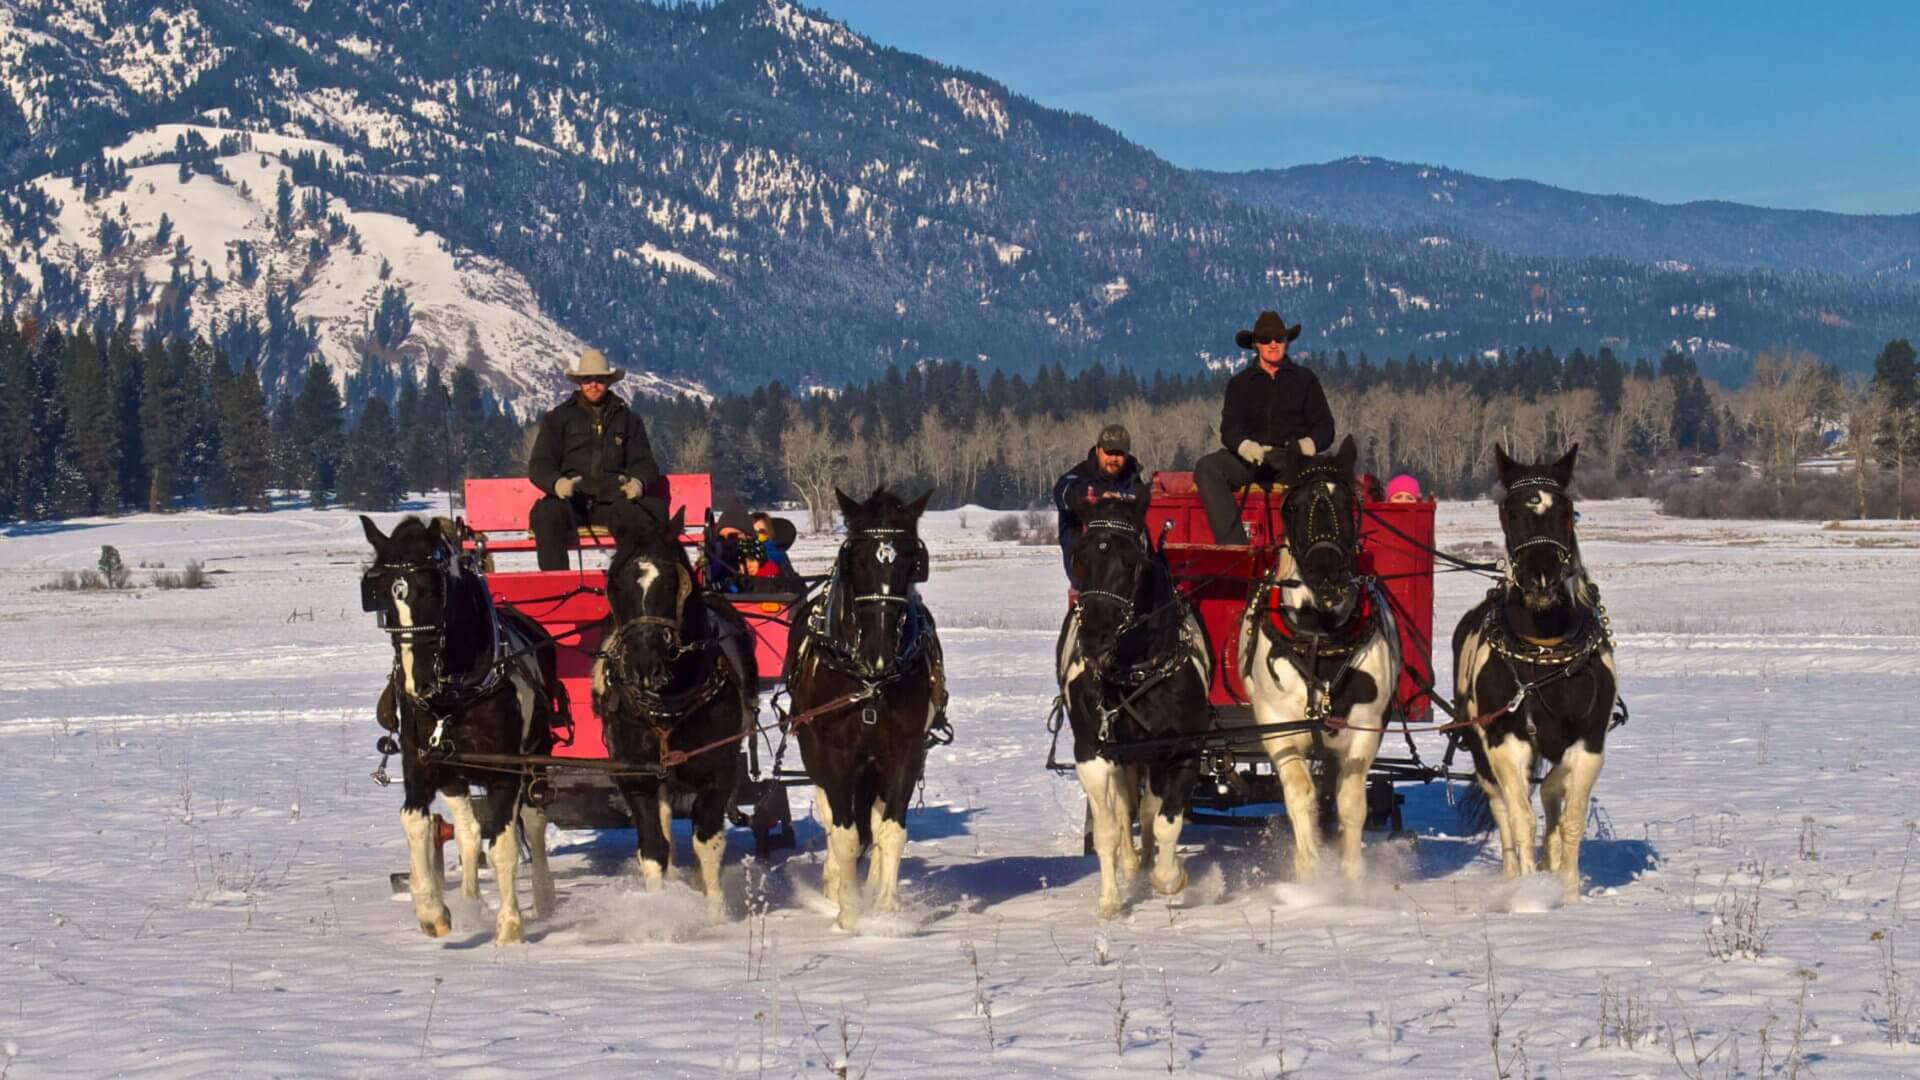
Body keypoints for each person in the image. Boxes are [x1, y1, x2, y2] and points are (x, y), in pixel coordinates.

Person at [1193, 311, 1335, 545]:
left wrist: (1303, 447)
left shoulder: (1305, 380)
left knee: (1329, 477)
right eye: (1266, 339)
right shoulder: (1239, 384)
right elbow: (1229, 429)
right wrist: (1249, 449)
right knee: (1208, 468)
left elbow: (1325, 428)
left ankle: (1316, 549)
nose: (1273, 344)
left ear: (1286, 342)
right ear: (1255, 345)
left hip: (1294, 460)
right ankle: (1234, 545)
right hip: (1252, 460)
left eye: (1279, 339)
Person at [527, 348, 664, 571]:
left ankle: (634, 585)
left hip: (613, 502)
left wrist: (638, 483)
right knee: (545, 514)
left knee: (644, 514)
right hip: (571, 501)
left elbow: (645, 463)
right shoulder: (558, 418)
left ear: (609, 381)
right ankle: (558, 585)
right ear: (579, 382)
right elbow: (540, 464)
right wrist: (557, 483)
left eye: (599, 380)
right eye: (587, 379)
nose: (593, 385)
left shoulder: (629, 420)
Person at [1052, 423, 1147, 583]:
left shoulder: (1133, 480)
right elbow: (1063, 492)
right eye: (1109, 453)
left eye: (1119, 454)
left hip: (1126, 561)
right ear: (1097, 450)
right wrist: (1089, 498)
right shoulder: (1079, 476)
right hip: (1085, 562)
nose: (1114, 459)